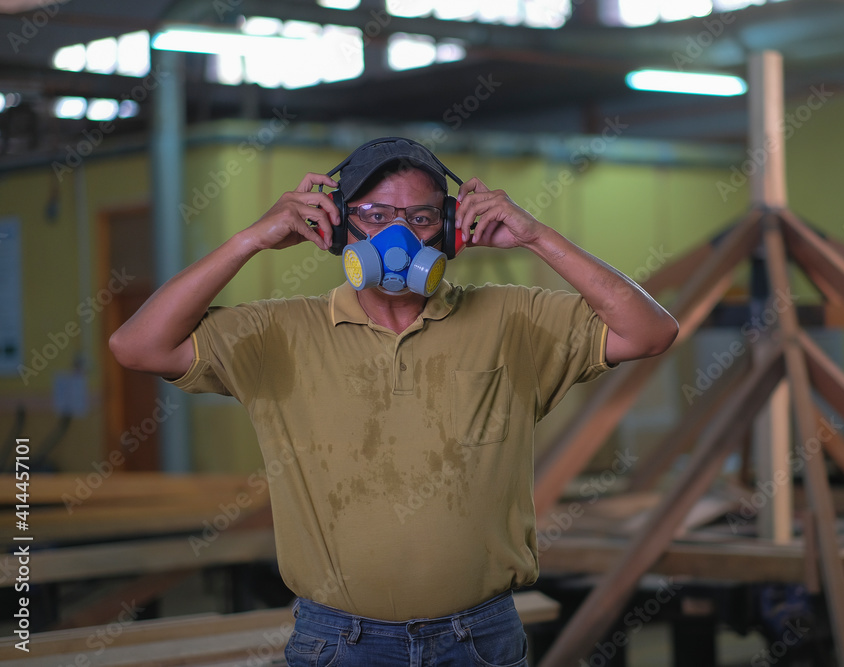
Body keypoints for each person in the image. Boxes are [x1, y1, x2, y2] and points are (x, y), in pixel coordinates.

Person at [109, 137, 678, 666]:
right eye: (375, 216)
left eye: (421, 217)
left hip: (479, 638)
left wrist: (536, 236)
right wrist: (248, 240)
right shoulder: (277, 333)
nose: (397, 235)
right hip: (338, 641)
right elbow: (136, 346)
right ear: (337, 226)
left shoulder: (515, 318)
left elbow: (650, 332)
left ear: (449, 229)